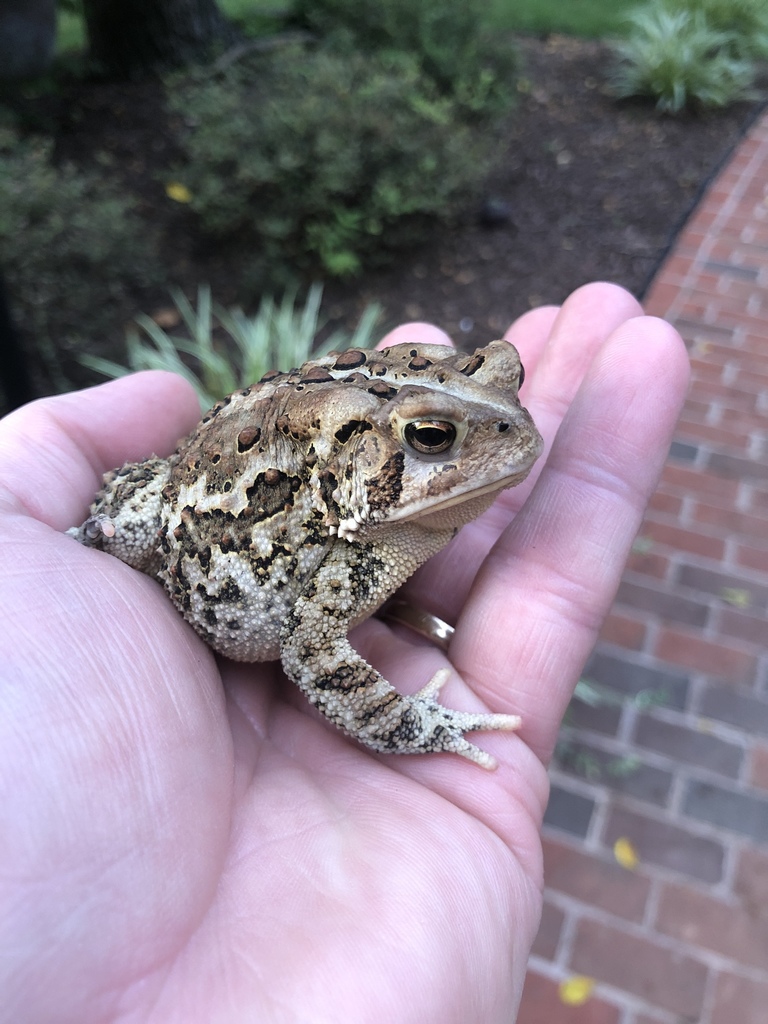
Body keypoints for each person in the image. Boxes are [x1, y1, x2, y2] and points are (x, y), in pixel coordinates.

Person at [0, 283, 688, 1023]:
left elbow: (310, 638)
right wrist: (417, 727)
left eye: (504, 380)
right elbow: (310, 650)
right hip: (205, 532)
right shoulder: (348, 545)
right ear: (365, 465)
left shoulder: (374, 534)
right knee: (131, 518)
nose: (510, 428)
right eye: (433, 439)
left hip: (305, 505)